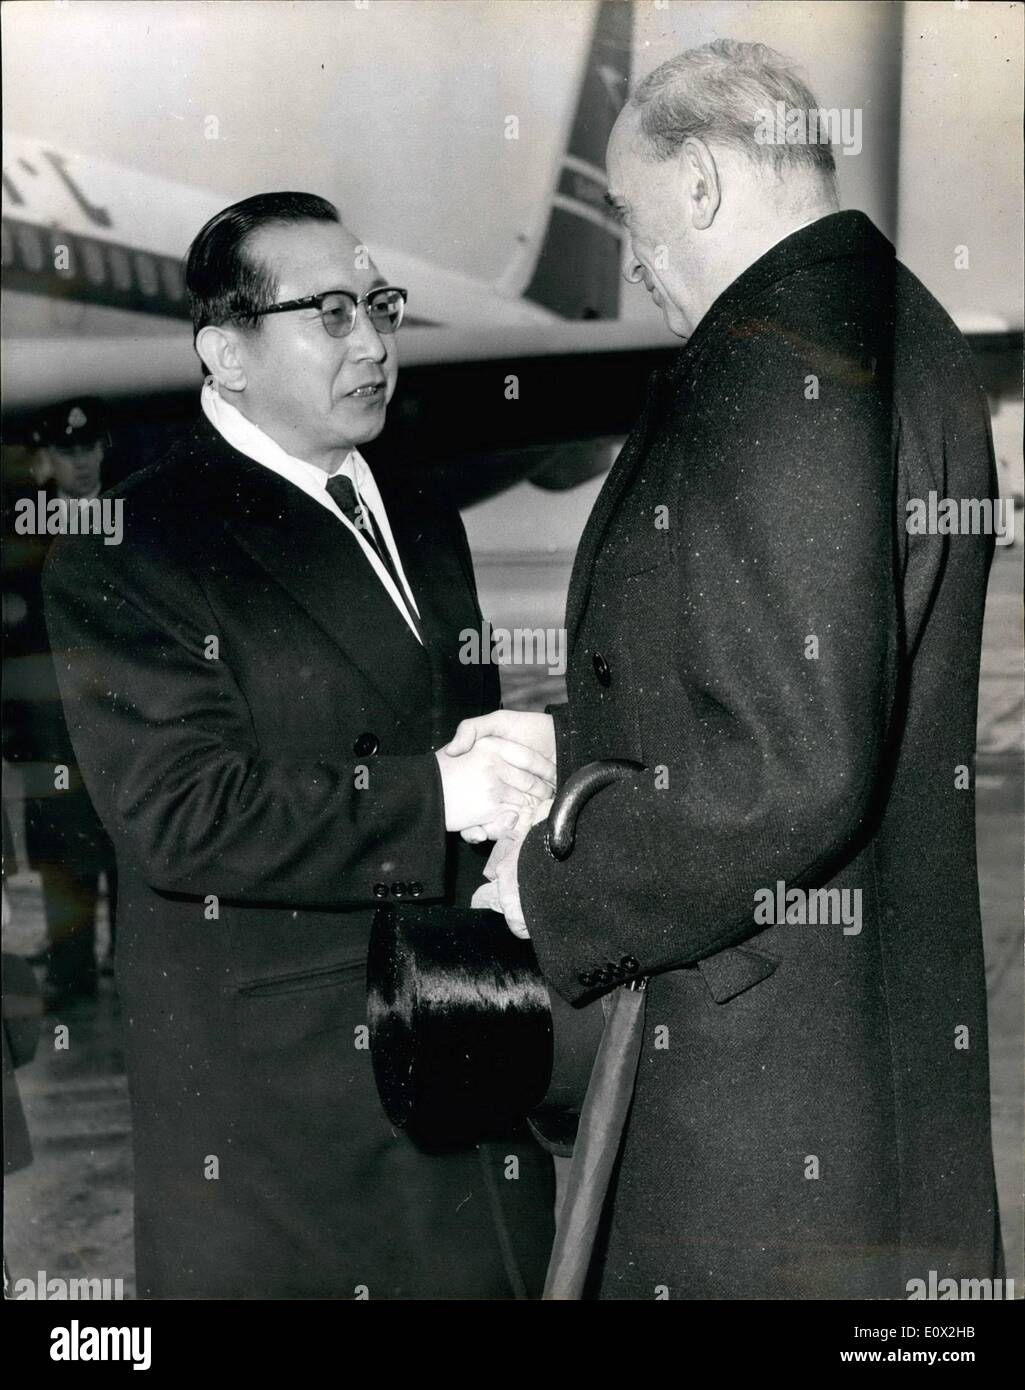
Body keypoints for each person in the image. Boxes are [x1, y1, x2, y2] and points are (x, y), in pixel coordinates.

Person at [457, 40, 1002, 1299]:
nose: (636, 261)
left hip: (752, 1093)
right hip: (864, 1060)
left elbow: (788, 768)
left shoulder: (771, 361)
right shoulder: (902, 328)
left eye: (633, 219)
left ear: (698, 182)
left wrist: (551, 876)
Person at [42, 192, 556, 1298]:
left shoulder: (421, 516)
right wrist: (437, 795)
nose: (371, 342)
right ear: (224, 353)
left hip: (456, 1054)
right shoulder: (136, 545)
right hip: (285, 1126)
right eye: (328, 312)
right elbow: (182, 816)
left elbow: (448, 738)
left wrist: (514, 813)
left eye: (378, 305)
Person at [2, 399, 119, 1010]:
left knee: (132, 846)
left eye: (88, 448)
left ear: (104, 449)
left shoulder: (142, 517)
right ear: (47, 460)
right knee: (60, 851)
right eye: (67, 452)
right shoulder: (22, 530)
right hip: (52, 725)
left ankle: (128, 967)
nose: (80, 463)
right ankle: (71, 974)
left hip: (127, 719)